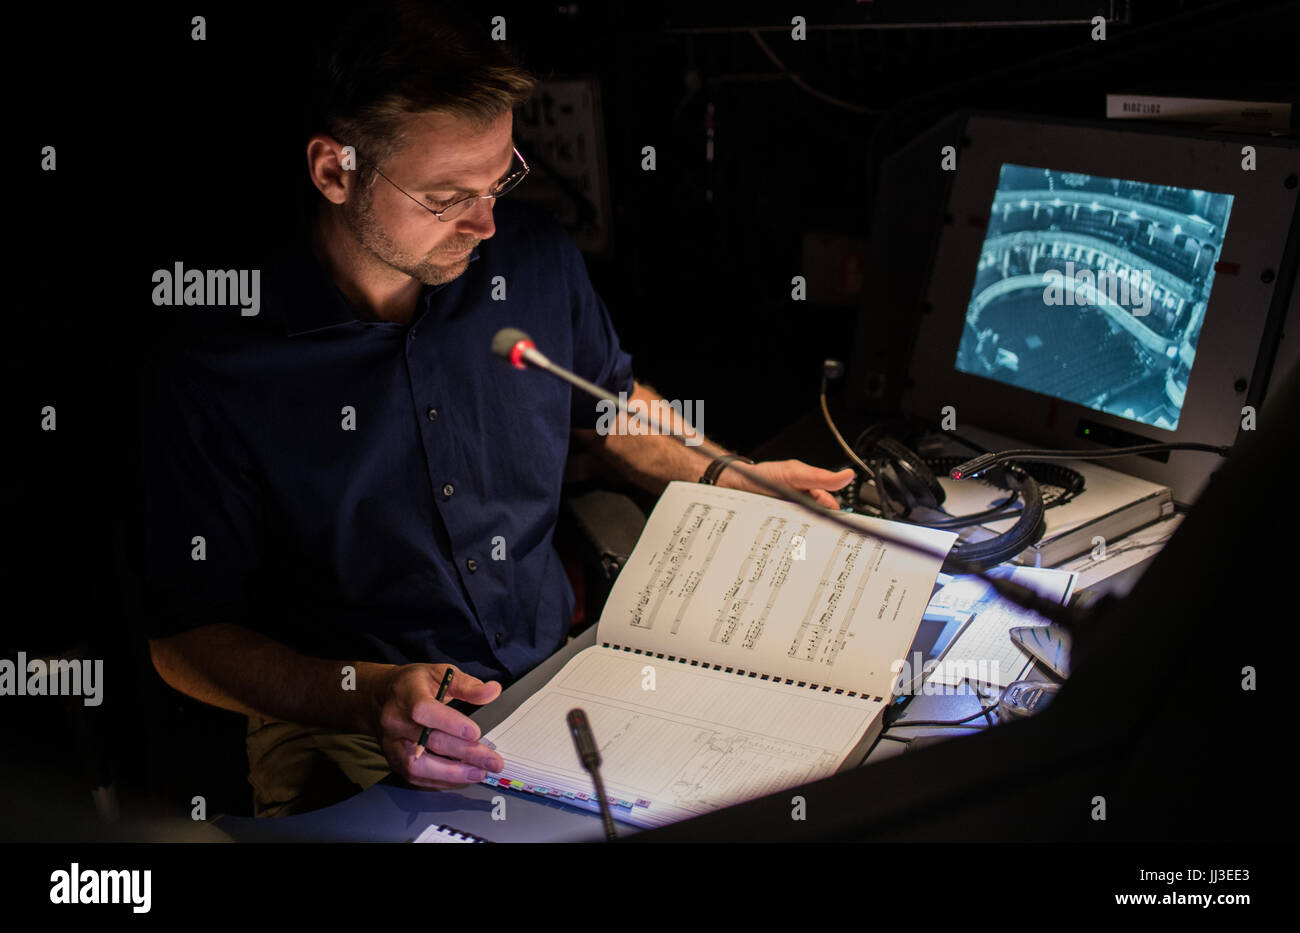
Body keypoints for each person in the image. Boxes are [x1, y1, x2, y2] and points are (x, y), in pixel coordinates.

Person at [138, 0, 853, 817]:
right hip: (348, 722)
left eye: (501, 178)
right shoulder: (218, 365)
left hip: (561, 674)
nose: (486, 223)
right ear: (335, 172)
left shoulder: (532, 260)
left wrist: (729, 478)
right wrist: (368, 695)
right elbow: (182, 640)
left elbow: (610, 406)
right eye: (447, 196)